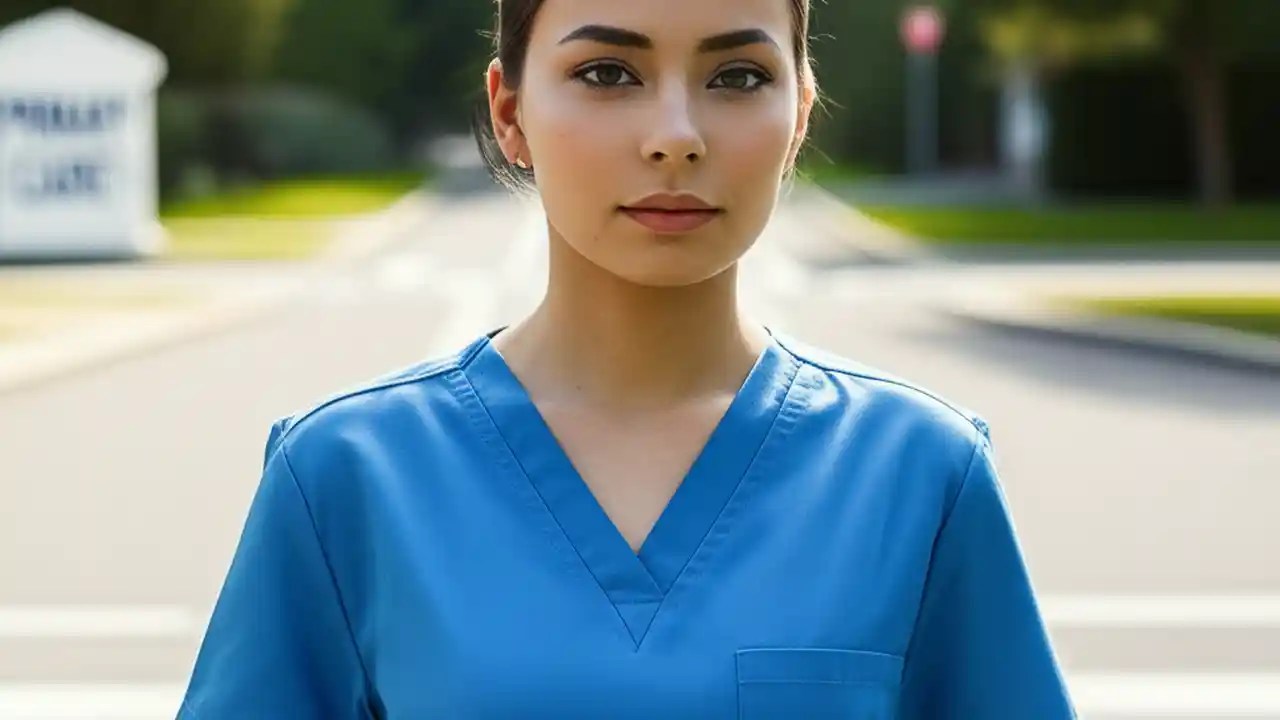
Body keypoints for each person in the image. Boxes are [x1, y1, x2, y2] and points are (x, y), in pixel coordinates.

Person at [176, 0, 1078, 717]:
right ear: (509, 110)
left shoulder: (917, 471)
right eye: (608, 73)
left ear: (799, 111)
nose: (676, 134)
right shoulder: (347, 476)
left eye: (738, 75)